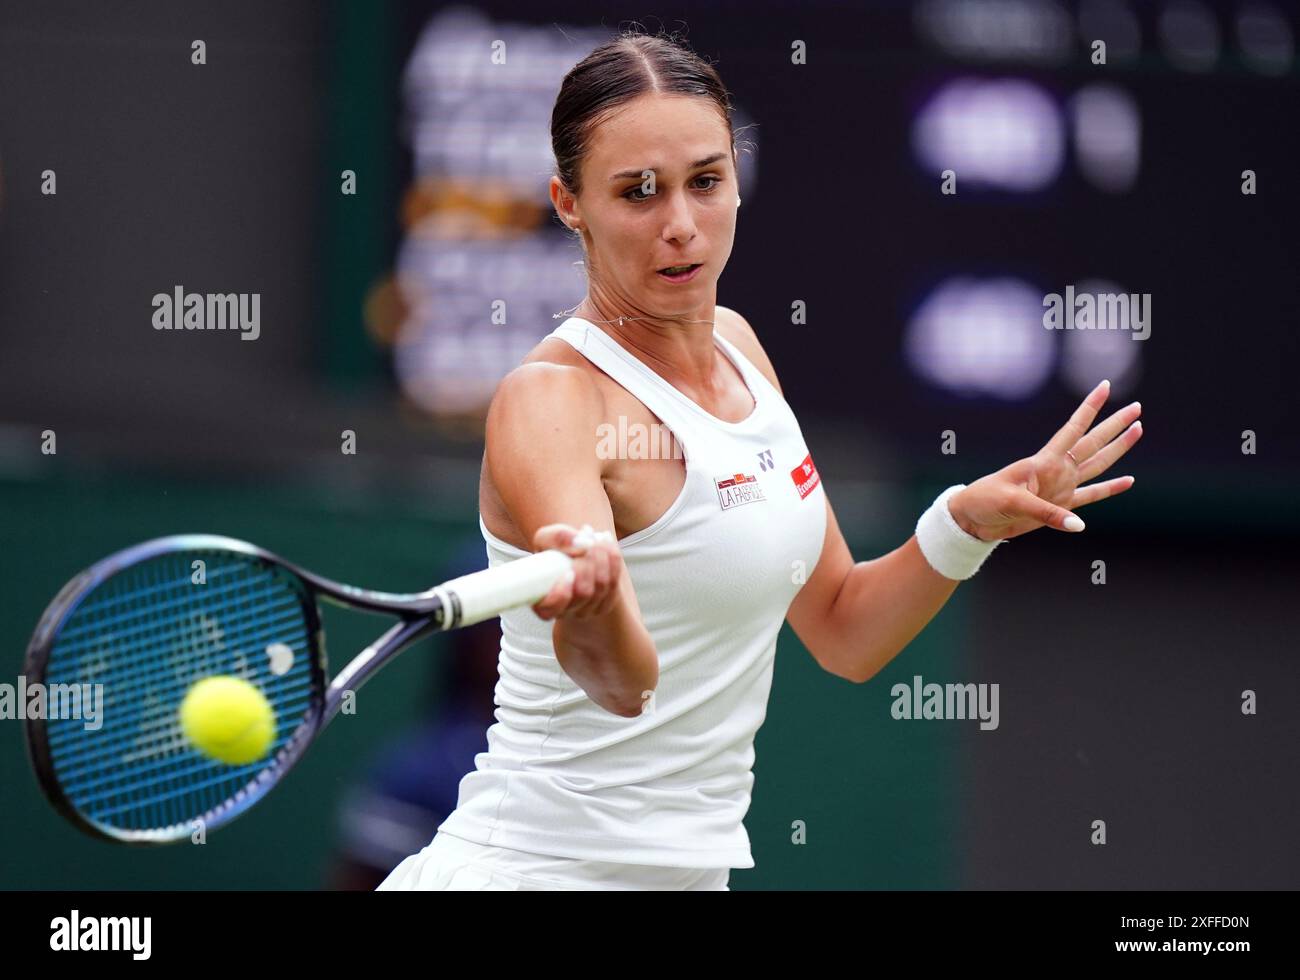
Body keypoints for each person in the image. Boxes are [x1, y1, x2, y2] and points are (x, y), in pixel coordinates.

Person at [377, 29, 1143, 892]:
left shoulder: (741, 350)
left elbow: (846, 630)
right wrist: (593, 608)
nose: (680, 225)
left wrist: (965, 526)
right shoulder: (551, 401)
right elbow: (620, 687)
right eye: (637, 192)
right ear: (569, 203)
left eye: (705, 181)